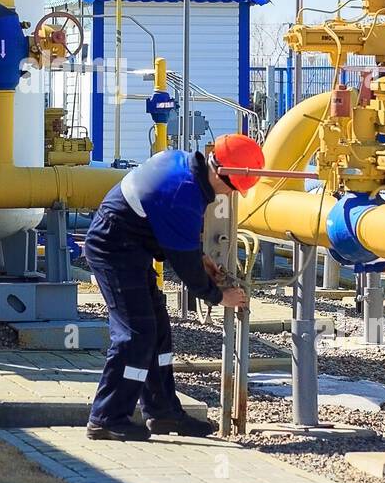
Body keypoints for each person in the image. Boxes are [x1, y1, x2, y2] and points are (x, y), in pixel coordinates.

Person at [82, 135, 262, 441]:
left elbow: (175, 236)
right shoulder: (185, 193)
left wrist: (200, 257)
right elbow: (186, 270)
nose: (231, 196)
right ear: (221, 174)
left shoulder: (186, 170)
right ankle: (107, 417)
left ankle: (163, 412)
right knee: (136, 334)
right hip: (113, 249)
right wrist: (220, 297)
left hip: (131, 247)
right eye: (233, 189)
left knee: (158, 330)